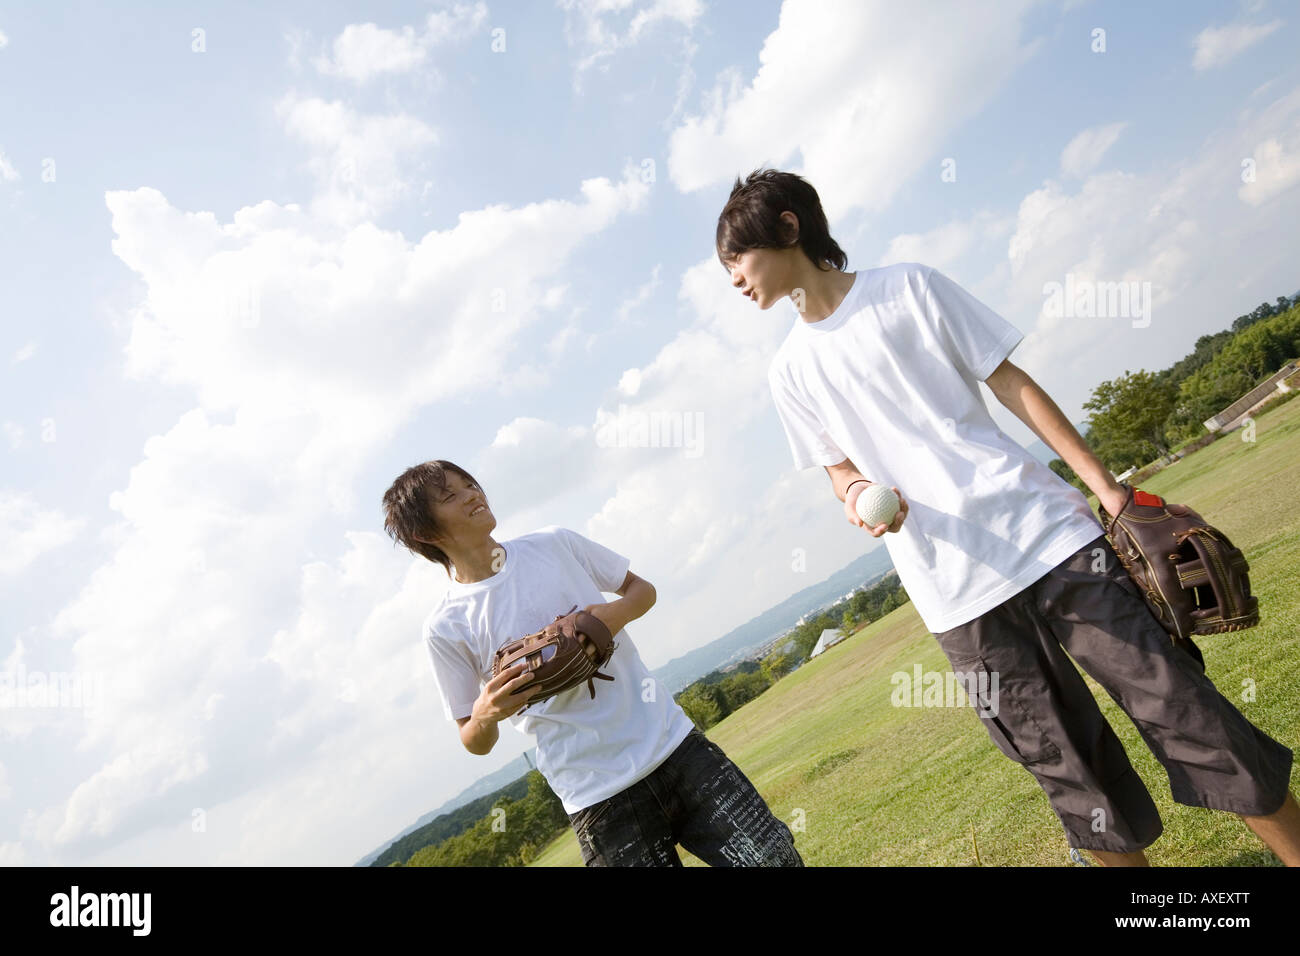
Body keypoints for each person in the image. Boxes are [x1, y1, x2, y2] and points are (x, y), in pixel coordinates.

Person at [717, 167, 1300, 867]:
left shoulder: (909, 287)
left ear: (787, 228)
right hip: (953, 594)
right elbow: (839, 468)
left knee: (1185, 710)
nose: (735, 281)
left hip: (1049, 538)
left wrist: (1108, 491)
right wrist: (859, 499)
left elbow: (1013, 384)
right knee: (1067, 773)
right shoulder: (789, 372)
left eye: (738, 259)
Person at [381, 460, 804, 867]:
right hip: (597, 798)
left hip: (677, 749)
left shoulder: (553, 544)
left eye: (470, 484)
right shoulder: (445, 626)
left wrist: (612, 616)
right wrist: (486, 712)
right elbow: (474, 739)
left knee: (777, 860)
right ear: (424, 532)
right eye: (451, 495)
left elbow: (642, 590)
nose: (473, 494)